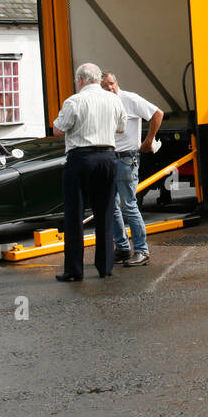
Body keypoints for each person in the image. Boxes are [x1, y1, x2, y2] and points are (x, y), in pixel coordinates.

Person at [51, 63, 126, 281]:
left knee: (74, 214)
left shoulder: (74, 101)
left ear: (81, 80)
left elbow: (58, 129)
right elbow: (120, 128)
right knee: (105, 212)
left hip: (81, 157)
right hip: (108, 157)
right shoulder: (114, 99)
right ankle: (105, 267)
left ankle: (74, 270)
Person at [103, 72, 163, 267]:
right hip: (109, 158)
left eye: (111, 83)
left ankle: (142, 250)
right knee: (111, 206)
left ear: (117, 83)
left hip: (127, 159)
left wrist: (148, 141)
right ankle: (122, 248)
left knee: (128, 205)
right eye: (105, 86)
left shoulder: (129, 99)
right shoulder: (103, 104)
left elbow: (157, 114)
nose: (109, 88)